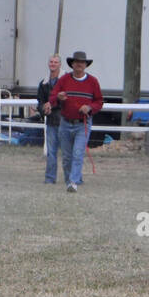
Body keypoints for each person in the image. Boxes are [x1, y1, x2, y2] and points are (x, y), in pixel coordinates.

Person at [49, 50, 103, 192]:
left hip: (82, 124)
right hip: (65, 122)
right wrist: (58, 98)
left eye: (82, 62)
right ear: (72, 64)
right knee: (67, 156)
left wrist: (90, 107)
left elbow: (99, 101)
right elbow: (52, 97)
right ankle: (69, 181)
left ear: (86, 65)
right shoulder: (64, 80)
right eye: (77, 62)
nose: (79, 64)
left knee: (78, 153)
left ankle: (73, 182)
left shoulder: (93, 82)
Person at [35, 54, 63, 184]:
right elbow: (40, 102)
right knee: (51, 152)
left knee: (69, 154)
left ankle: (73, 178)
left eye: (55, 62)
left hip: (65, 121)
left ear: (60, 64)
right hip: (51, 121)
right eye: (51, 62)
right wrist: (43, 109)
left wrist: (51, 105)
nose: (53, 64)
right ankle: (50, 179)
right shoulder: (43, 83)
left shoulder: (65, 81)